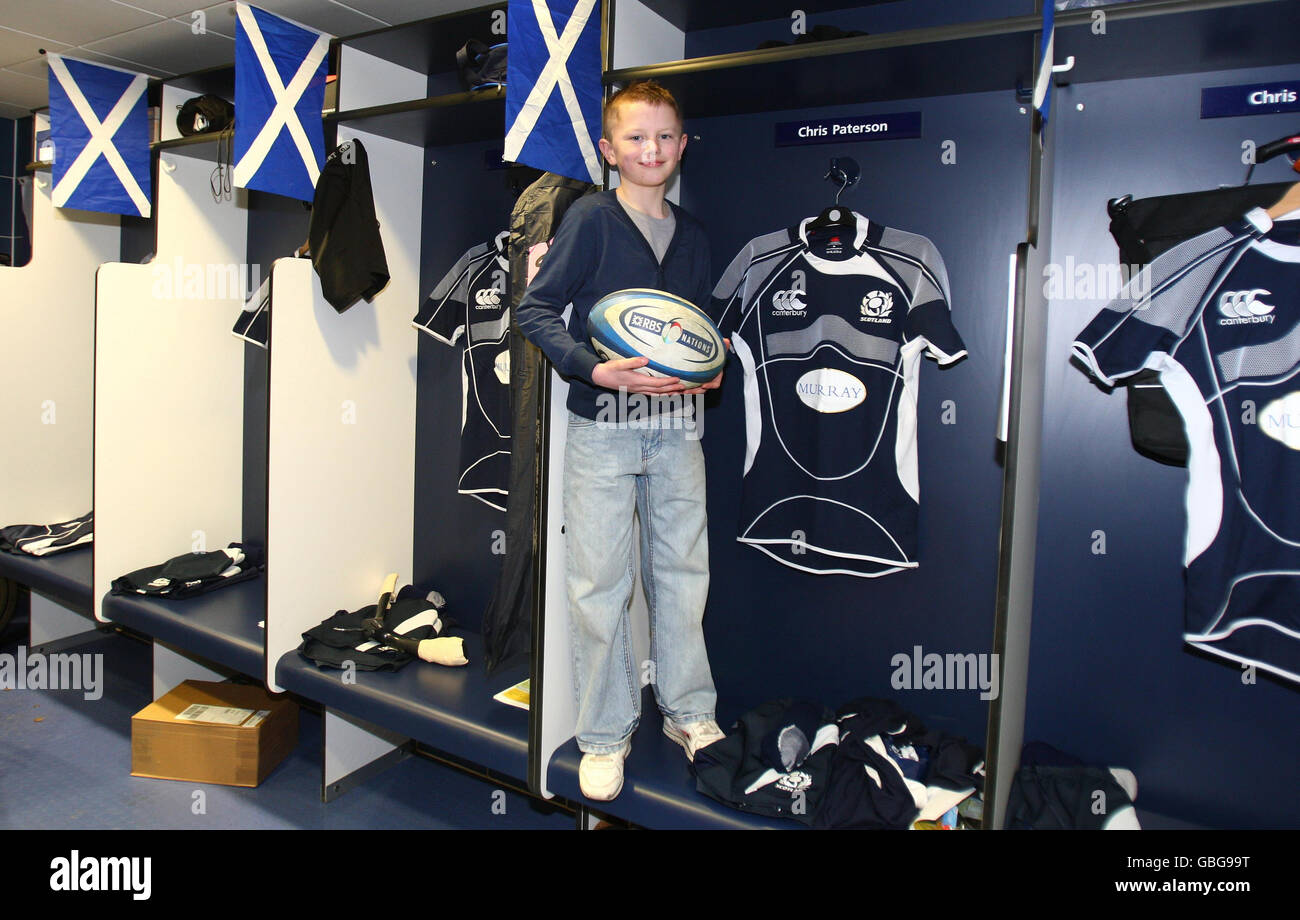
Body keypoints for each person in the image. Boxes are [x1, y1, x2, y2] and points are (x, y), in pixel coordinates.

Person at [516, 80, 725, 801]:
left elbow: (696, 335)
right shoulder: (591, 220)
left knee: (681, 576)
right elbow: (535, 309)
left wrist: (707, 372)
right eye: (636, 138)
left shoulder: (694, 234)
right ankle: (604, 736)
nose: (652, 149)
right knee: (600, 584)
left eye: (665, 136)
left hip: (677, 431)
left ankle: (689, 712)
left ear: (682, 144)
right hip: (602, 429)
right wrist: (593, 367)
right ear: (609, 150)